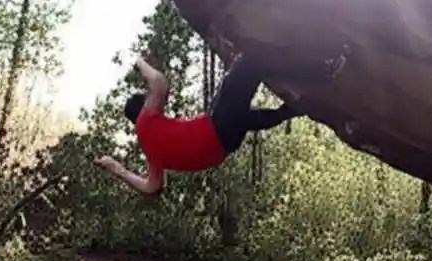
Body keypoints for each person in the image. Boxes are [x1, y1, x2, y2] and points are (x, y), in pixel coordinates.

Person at [95, 47, 347, 196]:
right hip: (216, 128)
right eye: (148, 99)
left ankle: (297, 108)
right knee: (251, 61)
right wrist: (140, 62)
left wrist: (117, 169)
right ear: (142, 109)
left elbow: (151, 188)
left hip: (223, 144)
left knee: (244, 116)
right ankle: (323, 71)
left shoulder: (151, 153)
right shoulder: (145, 122)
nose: (155, 102)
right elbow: (159, 83)